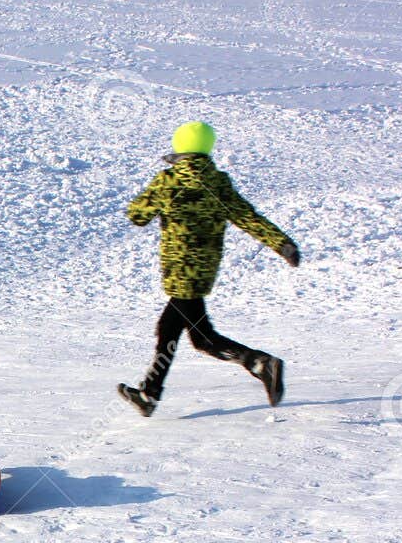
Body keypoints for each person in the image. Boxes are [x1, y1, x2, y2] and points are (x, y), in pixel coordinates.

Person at [118, 122, 300, 416]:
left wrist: (159, 200)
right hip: (203, 271)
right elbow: (248, 217)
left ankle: (260, 363)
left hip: (178, 271)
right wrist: (283, 245)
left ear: (179, 146)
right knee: (175, 330)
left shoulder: (168, 182)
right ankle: (149, 394)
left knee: (201, 338)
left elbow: (137, 215)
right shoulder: (218, 184)